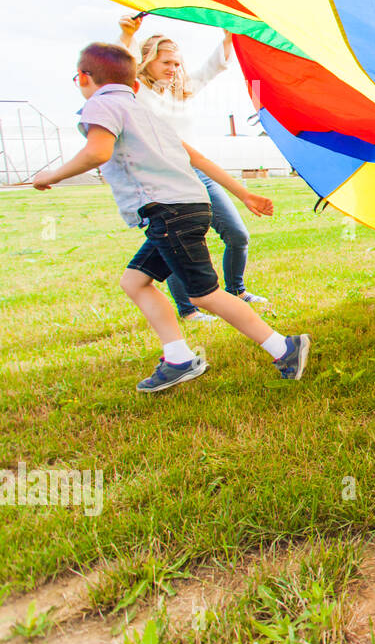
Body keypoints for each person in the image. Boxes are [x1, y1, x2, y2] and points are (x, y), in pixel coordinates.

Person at [32, 43, 309, 392]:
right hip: (187, 208)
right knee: (134, 282)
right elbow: (198, 158)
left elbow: (98, 151)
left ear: (84, 78)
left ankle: (284, 347)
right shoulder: (145, 113)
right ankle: (178, 358)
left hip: (168, 212)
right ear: (135, 85)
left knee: (204, 295)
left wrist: (50, 176)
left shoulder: (99, 103)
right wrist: (245, 193)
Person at [118, 14, 269, 322]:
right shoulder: (137, 93)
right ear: (146, 61)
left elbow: (212, 68)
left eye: (176, 63)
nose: (173, 69)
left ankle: (236, 290)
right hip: (163, 182)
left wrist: (227, 37)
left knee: (237, 234)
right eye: (166, 63)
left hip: (197, 174)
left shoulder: (182, 90)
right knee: (174, 248)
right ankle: (188, 310)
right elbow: (121, 71)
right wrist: (128, 35)